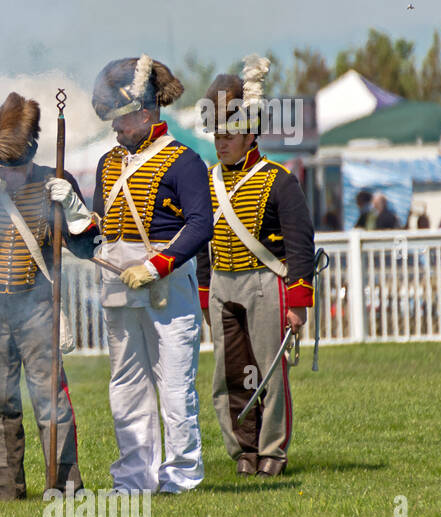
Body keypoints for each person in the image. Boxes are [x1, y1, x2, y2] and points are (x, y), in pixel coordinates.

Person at [0, 92, 99, 500]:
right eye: (2, 167)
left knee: (51, 400)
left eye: (15, 169)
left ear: (31, 156)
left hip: (36, 307)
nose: (10, 177)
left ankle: (65, 484)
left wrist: (76, 212)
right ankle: (3, 487)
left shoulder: (56, 181)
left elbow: (87, 249)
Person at [90, 55, 212, 493]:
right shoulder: (108, 164)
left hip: (166, 283)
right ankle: (135, 477)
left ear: (145, 113)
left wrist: (156, 265)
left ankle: (180, 476)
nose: (115, 128)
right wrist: (72, 217)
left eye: (120, 120)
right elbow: (103, 226)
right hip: (118, 282)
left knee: (175, 387)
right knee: (126, 384)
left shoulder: (183, 161)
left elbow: (201, 224)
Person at [195, 56, 315, 478]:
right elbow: (202, 242)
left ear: (250, 133)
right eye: (216, 134)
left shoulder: (278, 179)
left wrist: (298, 301)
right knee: (229, 374)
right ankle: (243, 449)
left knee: (269, 372)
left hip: (267, 283)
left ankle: (272, 451)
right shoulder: (207, 181)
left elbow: (300, 244)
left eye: (229, 134)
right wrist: (205, 291)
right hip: (222, 285)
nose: (220, 142)